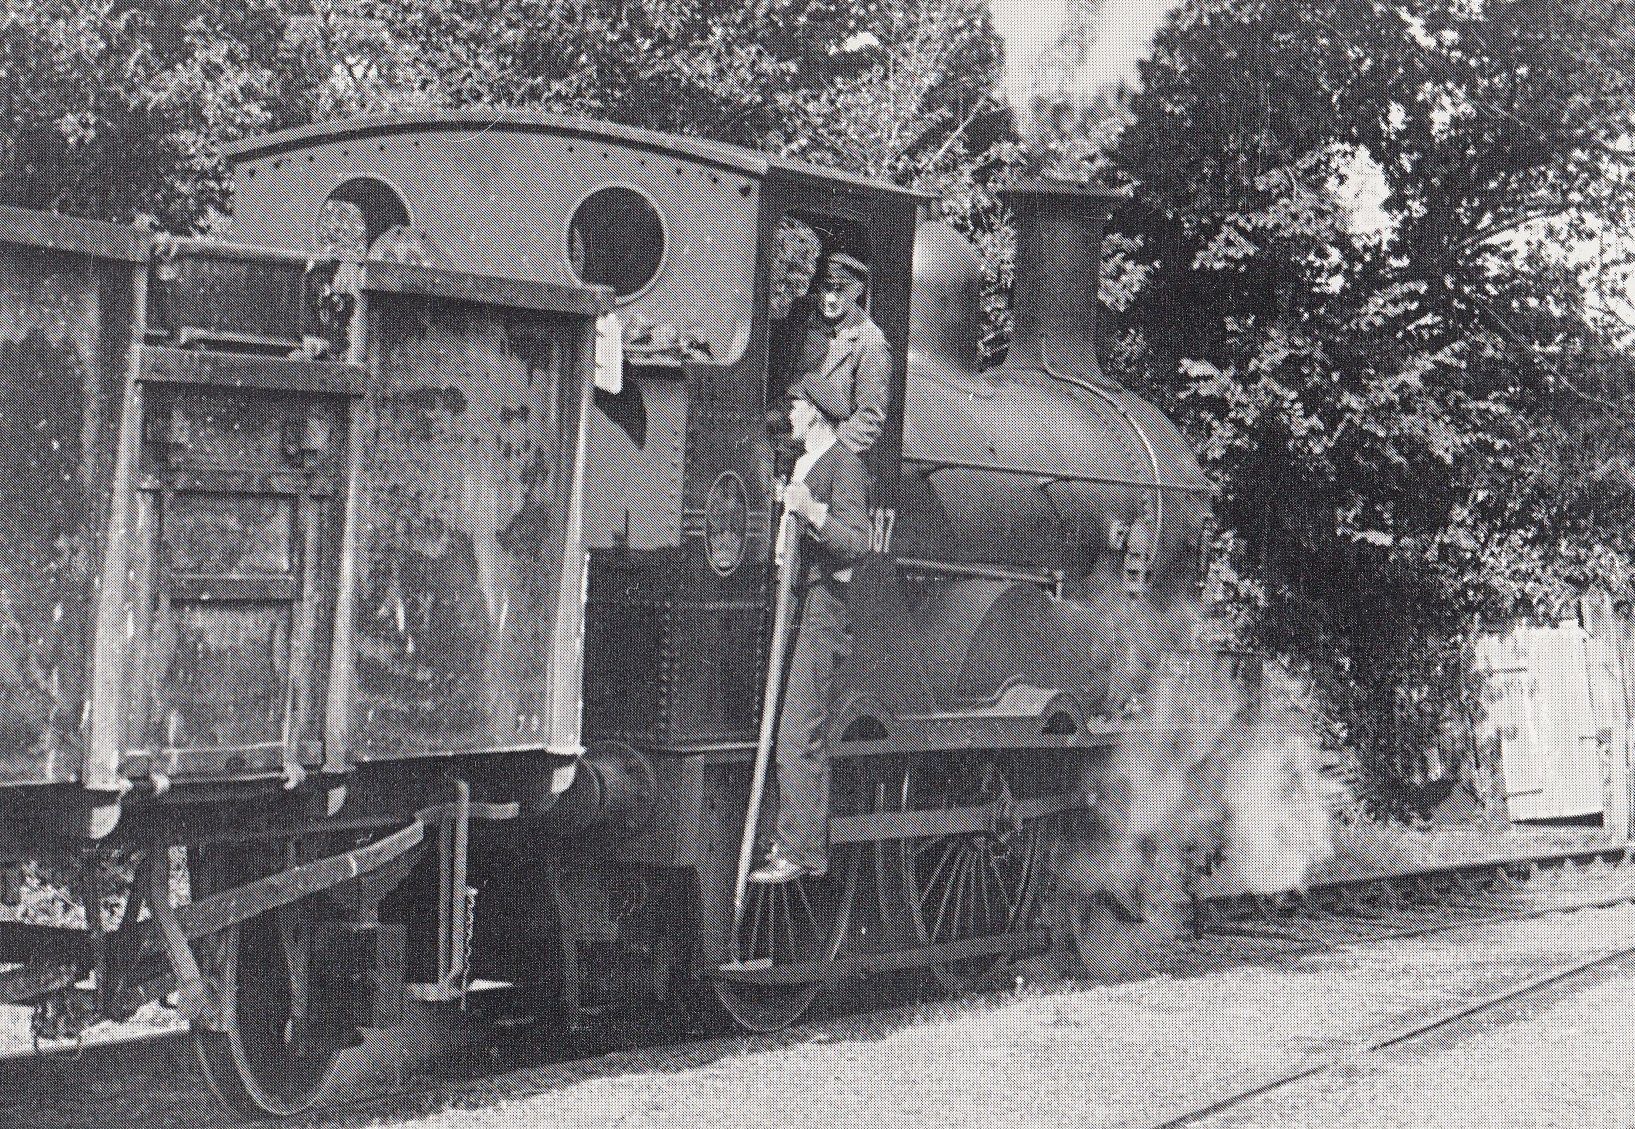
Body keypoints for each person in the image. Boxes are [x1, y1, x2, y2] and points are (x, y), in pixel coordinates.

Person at [748, 375, 874, 884]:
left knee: (799, 729)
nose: (790, 414)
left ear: (817, 414)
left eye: (797, 406)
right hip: (792, 603)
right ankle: (776, 835)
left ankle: (801, 849)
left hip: (822, 611)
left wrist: (812, 511)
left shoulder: (844, 465)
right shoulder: (805, 463)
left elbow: (857, 542)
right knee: (782, 724)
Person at [781, 252, 892, 458]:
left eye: (840, 289)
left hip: (821, 441)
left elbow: (869, 418)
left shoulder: (871, 342)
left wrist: (825, 455)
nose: (830, 299)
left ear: (858, 290)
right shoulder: (801, 312)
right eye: (826, 287)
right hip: (781, 421)